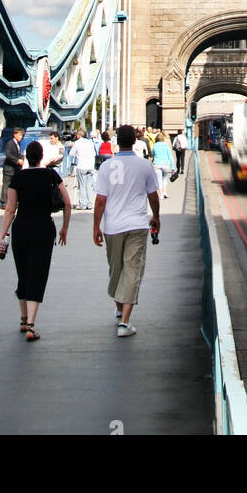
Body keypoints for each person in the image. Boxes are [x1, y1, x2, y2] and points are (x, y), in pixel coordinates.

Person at [0, 139, 71, 340]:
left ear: (26, 157)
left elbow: (10, 209)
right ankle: (30, 325)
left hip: (21, 228)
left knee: (23, 272)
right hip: (43, 229)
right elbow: (67, 202)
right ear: (41, 157)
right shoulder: (51, 175)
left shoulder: (18, 178)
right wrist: (64, 228)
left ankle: (23, 319)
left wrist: (3, 235)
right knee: (38, 273)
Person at [94, 124, 160, 338]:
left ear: (116, 142)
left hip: (113, 226)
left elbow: (100, 201)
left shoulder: (106, 167)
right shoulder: (144, 165)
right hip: (138, 224)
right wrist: (156, 216)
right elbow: (153, 196)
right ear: (135, 141)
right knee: (132, 271)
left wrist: (96, 226)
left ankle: (123, 317)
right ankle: (124, 316)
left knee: (116, 270)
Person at [70, 128, 97, 210]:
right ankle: (89, 203)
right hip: (90, 166)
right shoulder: (90, 142)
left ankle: (83, 204)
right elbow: (94, 153)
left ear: (79, 135)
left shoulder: (77, 143)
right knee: (89, 186)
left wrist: (73, 147)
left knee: (82, 186)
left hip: (82, 166)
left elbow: (71, 154)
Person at [0, 127, 24, 207]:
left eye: (22, 135)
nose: (21, 137)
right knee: (6, 185)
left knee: (15, 186)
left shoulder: (18, 144)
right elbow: (8, 155)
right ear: (15, 135)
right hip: (9, 168)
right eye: (20, 135)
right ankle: (4, 203)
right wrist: (17, 160)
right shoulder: (10, 143)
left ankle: (14, 201)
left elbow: (18, 153)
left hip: (16, 169)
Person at [151, 131, 175, 198]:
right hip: (165, 164)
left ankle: (160, 194)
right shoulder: (166, 146)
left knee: (158, 179)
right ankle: (165, 192)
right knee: (164, 178)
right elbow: (170, 156)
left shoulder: (154, 146)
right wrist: (173, 167)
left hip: (157, 164)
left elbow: (152, 155)